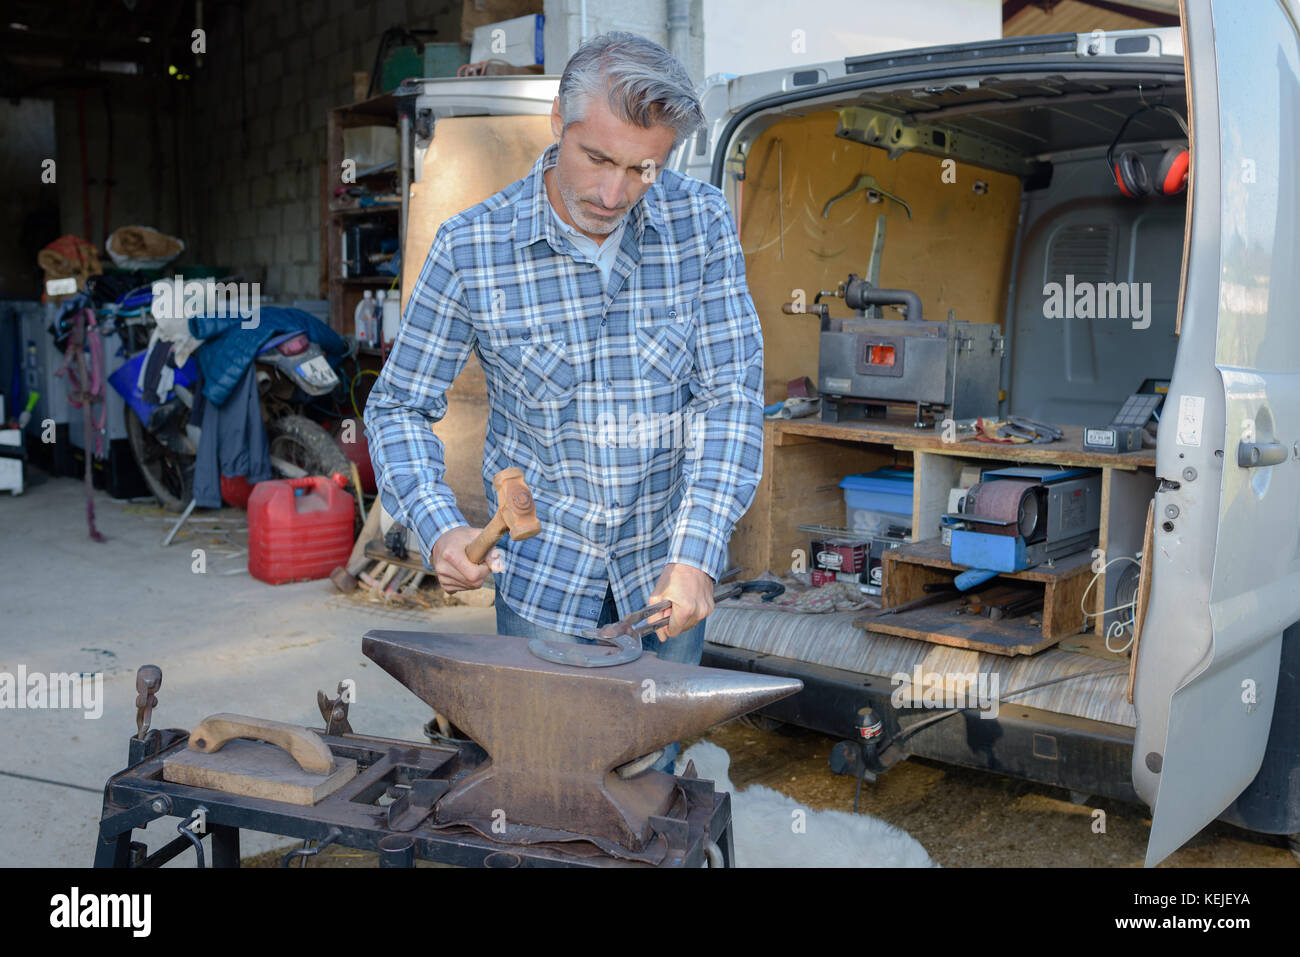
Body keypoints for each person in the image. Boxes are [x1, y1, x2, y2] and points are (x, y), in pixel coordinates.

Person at [365, 31, 764, 772]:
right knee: (544, 780)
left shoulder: (700, 225)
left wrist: (698, 555)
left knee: (651, 783)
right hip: (543, 589)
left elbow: (729, 397)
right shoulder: (472, 250)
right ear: (558, 122)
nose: (614, 194)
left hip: (665, 581)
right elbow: (397, 407)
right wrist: (438, 524)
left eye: (643, 169)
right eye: (598, 160)